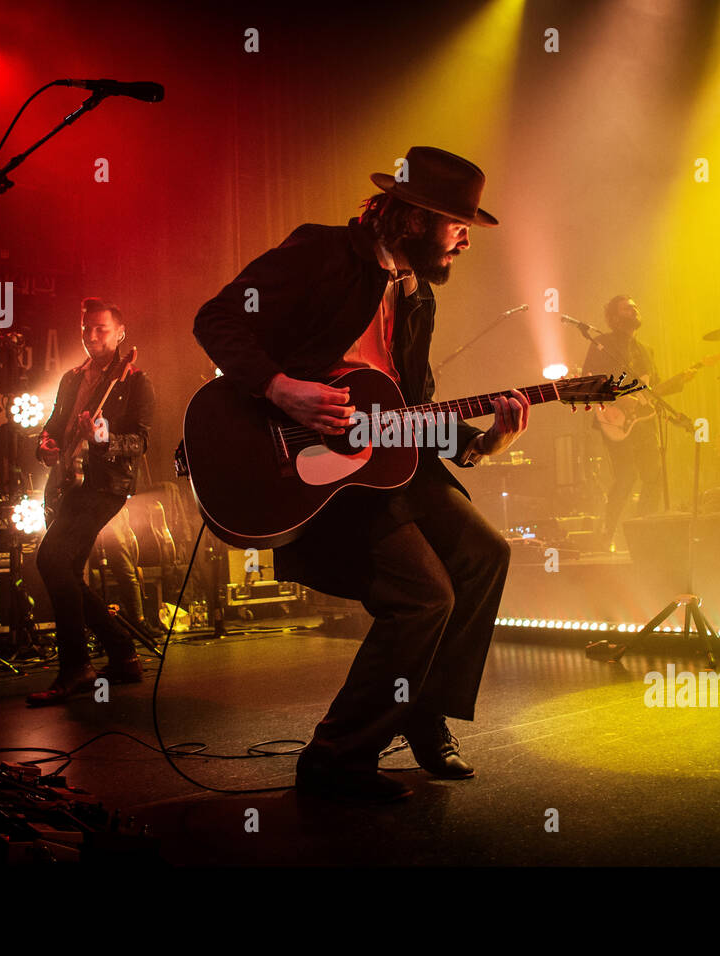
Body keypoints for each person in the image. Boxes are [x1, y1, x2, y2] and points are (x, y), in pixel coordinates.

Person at [193, 146, 528, 803]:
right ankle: (335, 761)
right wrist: (279, 386)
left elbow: (410, 413)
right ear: (411, 219)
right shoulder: (323, 254)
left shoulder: (416, 297)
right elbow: (217, 319)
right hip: (311, 467)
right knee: (424, 597)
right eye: (455, 223)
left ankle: (422, 714)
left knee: (486, 554)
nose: (463, 239)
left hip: (386, 463)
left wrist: (481, 443)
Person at [28, 297, 155, 706]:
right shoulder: (70, 379)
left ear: (121, 333)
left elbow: (140, 442)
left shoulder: (134, 381)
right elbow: (52, 426)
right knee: (66, 571)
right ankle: (121, 654)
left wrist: (103, 440)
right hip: (67, 483)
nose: (92, 336)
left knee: (50, 561)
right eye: (86, 329)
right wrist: (46, 446)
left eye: (101, 329)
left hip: (104, 486)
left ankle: (76, 667)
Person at [582, 294, 686, 551]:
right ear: (614, 318)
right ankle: (606, 536)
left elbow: (653, 390)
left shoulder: (645, 350)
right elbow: (587, 381)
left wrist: (679, 382)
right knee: (626, 476)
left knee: (654, 476)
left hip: (643, 421)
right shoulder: (601, 344)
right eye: (628, 308)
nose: (635, 310)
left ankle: (642, 532)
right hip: (614, 420)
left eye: (636, 307)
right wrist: (618, 400)